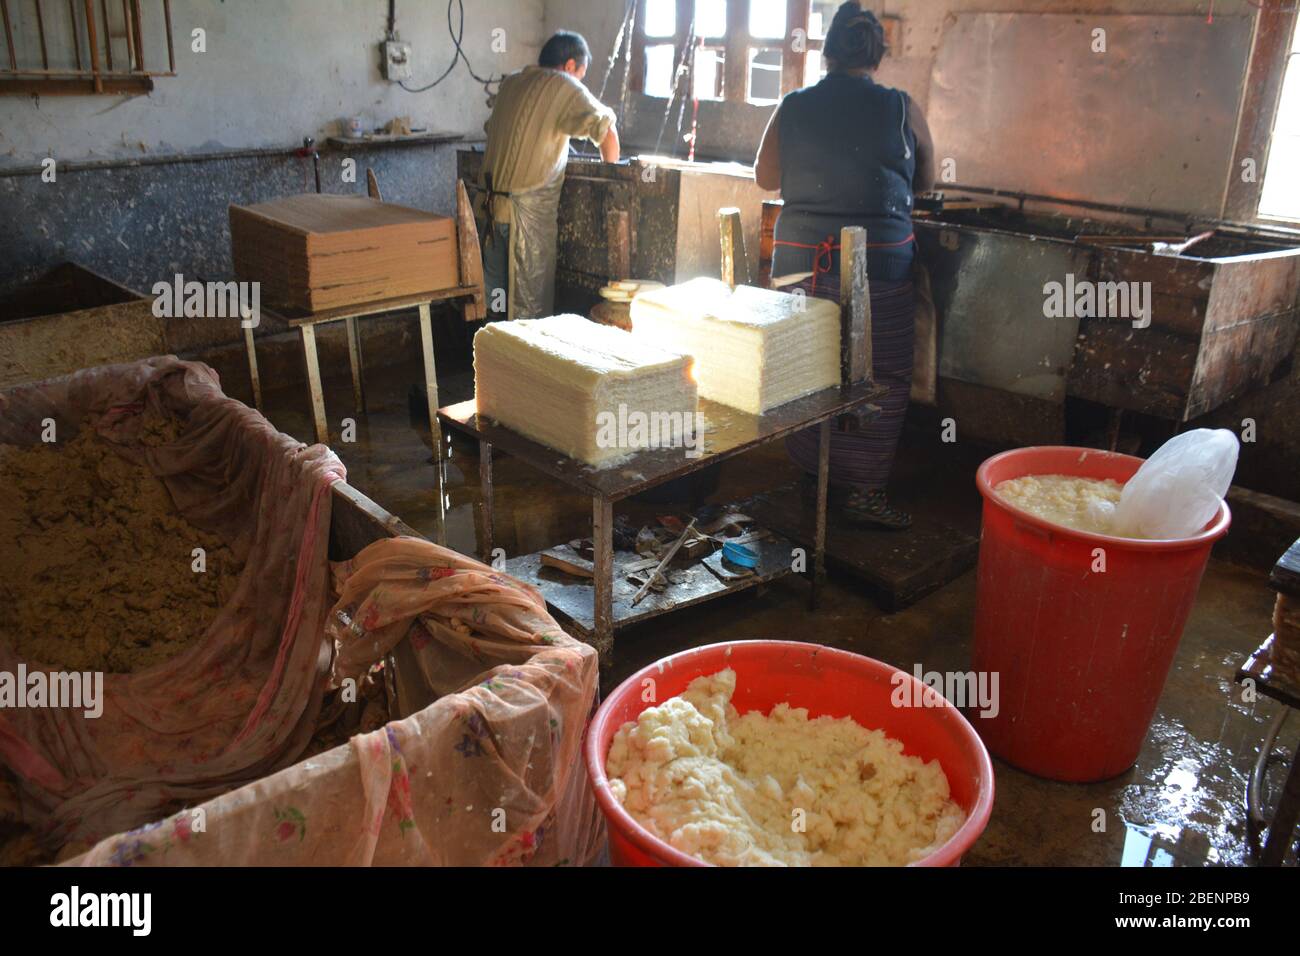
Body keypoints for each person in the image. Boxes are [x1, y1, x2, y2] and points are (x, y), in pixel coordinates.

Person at [753, 1, 934, 530]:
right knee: (879, 375)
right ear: (878, 54)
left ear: (827, 51)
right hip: (878, 265)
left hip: (800, 265)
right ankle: (861, 492)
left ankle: (812, 477)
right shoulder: (902, 107)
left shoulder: (793, 104)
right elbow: (924, 181)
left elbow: (765, 177)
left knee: (807, 369)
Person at [478, 31, 621, 321]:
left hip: (488, 213)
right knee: (526, 315)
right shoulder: (563, 84)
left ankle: (489, 365)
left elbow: (495, 129)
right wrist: (611, 179)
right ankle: (521, 367)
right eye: (580, 75)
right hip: (523, 221)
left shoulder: (512, 83)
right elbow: (606, 132)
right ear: (570, 66)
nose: (577, 82)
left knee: (495, 308)